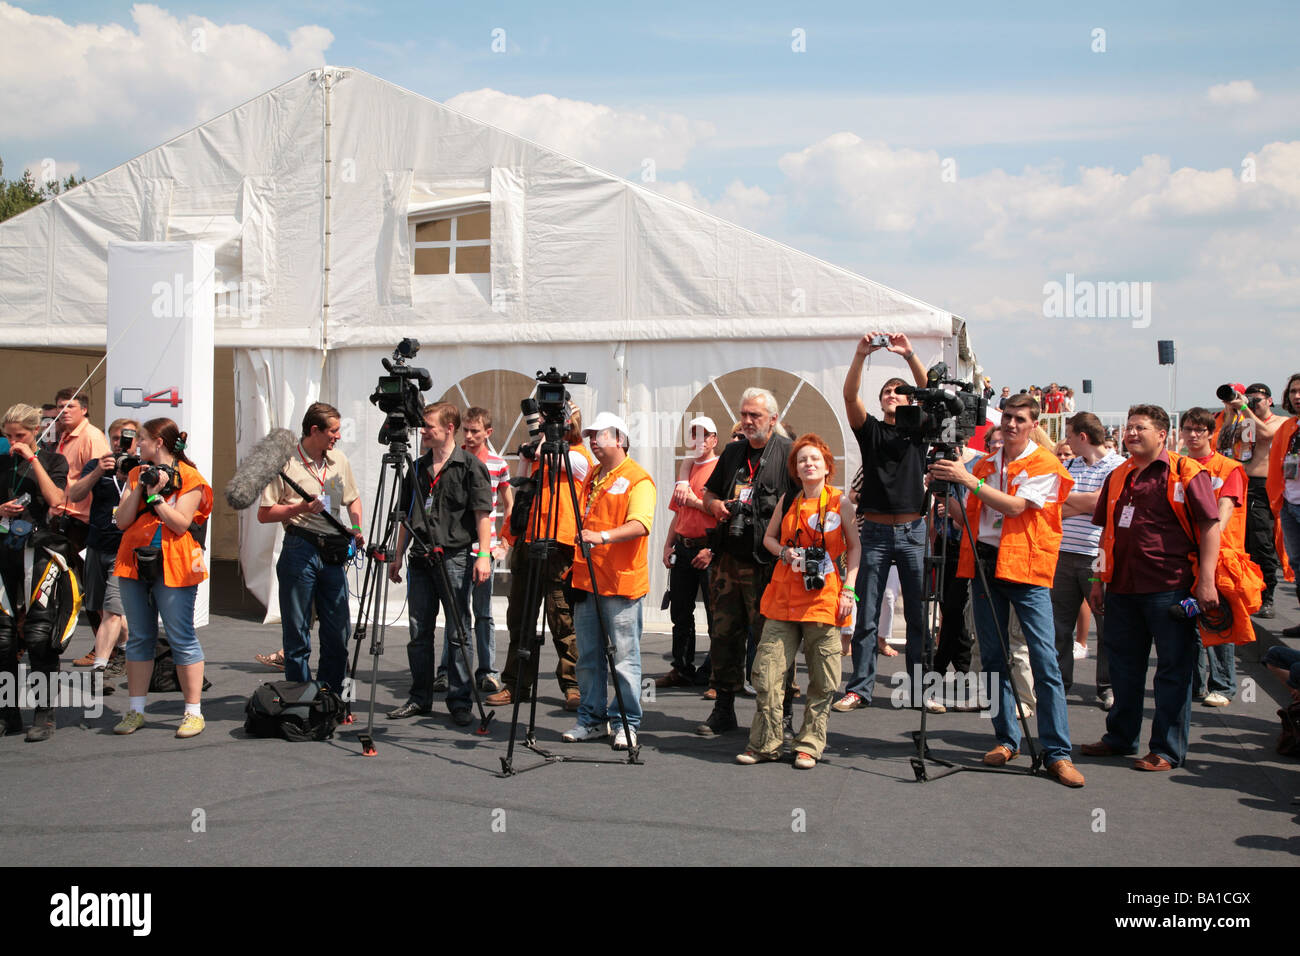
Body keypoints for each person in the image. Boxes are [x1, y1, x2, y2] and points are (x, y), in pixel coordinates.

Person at [930, 393, 1085, 787]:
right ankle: (1006, 738)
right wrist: (944, 488)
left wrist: (967, 480)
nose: (1011, 425)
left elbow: (1016, 507)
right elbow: (968, 514)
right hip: (984, 563)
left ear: (1035, 424)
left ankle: (1057, 752)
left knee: (1044, 661)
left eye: (1019, 419)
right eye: (1008, 418)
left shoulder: (1044, 463)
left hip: (1026, 568)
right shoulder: (984, 463)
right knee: (994, 658)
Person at [1081, 405, 1222, 772]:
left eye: (1139, 427)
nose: (1130, 433)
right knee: (1125, 669)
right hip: (1123, 588)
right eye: (1128, 427)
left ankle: (1166, 750)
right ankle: (1120, 737)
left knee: (1173, 670)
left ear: (1161, 434)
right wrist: (1098, 579)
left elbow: (1210, 527)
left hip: (1173, 589)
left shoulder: (1187, 472)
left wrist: (1206, 581)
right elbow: (1104, 533)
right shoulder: (1118, 476)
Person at [737, 434, 860, 768]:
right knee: (767, 673)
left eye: (815, 459)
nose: (808, 464)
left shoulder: (839, 502)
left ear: (826, 467)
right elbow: (768, 539)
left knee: (823, 679)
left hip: (823, 599)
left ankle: (809, 744)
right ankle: (766, 742)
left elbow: (854, 548)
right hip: (782, 598)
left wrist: (850, 590)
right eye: (803, 460)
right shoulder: (788, 500)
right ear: (796, 468)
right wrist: (785, 552)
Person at [835, 331, 936, 715]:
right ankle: (859, 688)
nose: (892, 395)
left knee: (916, 615)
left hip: (913, 531)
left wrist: (909, 355)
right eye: (887, 392)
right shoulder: (871, 430)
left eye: (899, 392)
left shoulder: (919, 430)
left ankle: (920, 690)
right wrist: (861, 355)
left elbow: (927, 390)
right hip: (874, 532)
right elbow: (849, 397)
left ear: (910, 401)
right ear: (880, 401)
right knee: (867, 611)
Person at [696, 388, 797, 735]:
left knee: (773, 640)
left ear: (773, 419)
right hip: (728, 560)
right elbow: (708, 492)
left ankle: (780, 714)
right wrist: (714, 506)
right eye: (744, 414)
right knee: (723, 636)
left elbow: (802, 505)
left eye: (755, 415)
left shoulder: (787, 454)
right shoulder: (734, 452)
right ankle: (723, 708)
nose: (748, 421)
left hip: (767, 565)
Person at [387, 403, 493, 726]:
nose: (423, 431)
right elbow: (405, 515)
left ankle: (460, 701)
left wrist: (485, 554)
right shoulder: (416, 468)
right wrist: (396, 555)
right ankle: (420, 697)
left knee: (459, 631)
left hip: (455, 557)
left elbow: (482, 513)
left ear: (449, 428)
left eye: (429, 426)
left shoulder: (470, 466)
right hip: (419, 559)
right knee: (419, 631)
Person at [111, 418, 213, 738]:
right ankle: (136, 710)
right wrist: (141, 485)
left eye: (141, 439)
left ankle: (193, 712)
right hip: (133, 561)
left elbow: (181, 524)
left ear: (158, 442)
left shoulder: (190, 477)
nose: (137, 444)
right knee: (140, 636)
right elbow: (122, 521)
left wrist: (156, 499)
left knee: (181, 636)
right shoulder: (135, 474)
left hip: (177, 563)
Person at [488, 402, 593, 710]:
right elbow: (520, 497)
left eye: (548, 421)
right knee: (520, 619)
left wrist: (539, 442)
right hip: (530, 540)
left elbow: (554, 457)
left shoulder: (578, 457)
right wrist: (508, 538)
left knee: (562, 619)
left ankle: (573, 685)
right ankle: (516, 684)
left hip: (559, 546)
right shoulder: (540, 456)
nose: (540, 427)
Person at [257, 403, 364, 692]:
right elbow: (264, 513)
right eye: (333, 431)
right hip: (299, 547)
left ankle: (333, 697)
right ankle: (300, 700)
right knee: (297, 632)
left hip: (332, 552)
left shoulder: (338, 460)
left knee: (338, 630)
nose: (338, 437)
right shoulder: (284, 463)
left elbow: (353, 499)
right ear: (314, 430)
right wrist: (301, 508)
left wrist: (356, 528)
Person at [563, 413, 655, 749]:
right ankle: (591, 719)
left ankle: (627, 722)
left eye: (598, 435)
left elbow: (641, 524)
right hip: (588, 579)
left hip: (620, 584)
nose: (592, 441)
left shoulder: (638, 479)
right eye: (589, 436)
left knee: (624, 658)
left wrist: (601, 536)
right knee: (588, 655)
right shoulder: (594, 475)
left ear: (619, 439)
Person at [0, 403, 69, 741]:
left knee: (40, 635)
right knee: (2, 638)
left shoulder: (53, 460)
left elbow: (55, 498)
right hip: (3, 552)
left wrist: (31, 457)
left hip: (39, 552)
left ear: (36, 432)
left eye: (21, 435)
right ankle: (8, 713)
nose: (14, 441)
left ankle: (44, 714)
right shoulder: (1, 460)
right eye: (9, 436)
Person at [1053, 412, 1124, 709]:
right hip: (1063, 554)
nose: (1066, 441)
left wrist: (1079, 503)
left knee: (1107, 626)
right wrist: (1088, 503)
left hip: (1098, 555)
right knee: (1058, 627)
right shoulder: (1068, 465)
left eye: (1070, 435)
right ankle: (1058, 684)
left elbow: (1103, 504)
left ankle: (1107, 686)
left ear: (1082, 437)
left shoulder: (1119, 466)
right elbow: (1054, 504)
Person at [1180, 407, 1250, 707]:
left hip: (1220, 557)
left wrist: (1208, 540)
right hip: (1183, 555)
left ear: (1211, 433)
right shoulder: (1176, 465)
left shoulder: (1228, 467)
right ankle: (1194, 684)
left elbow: (1225, 510)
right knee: (1188, 617)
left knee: (1216, 619)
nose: (1194, 435)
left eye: (1200, 430)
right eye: (1189, 429)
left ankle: (1223, 684)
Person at [66, 418, 140, 683]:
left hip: (125, 549)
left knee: (112, 610)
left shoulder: (142, 468)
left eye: (127, 439)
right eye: (117, 438)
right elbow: (74, 495)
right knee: (98, 606)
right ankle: (127, 649)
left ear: (138, 442)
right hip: (97, 544)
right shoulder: (97, 465)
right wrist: (98, 471)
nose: (121, 443)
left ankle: (101, 665)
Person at [656, 416, 719, 689]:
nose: (698, 441)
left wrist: (712, 550)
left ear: (714, 440)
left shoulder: (720, 467)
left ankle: (719, 675)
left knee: (717, 616)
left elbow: (722, 512)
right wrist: (668, 543)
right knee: (680, 612)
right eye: (693, 435)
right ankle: (681, 668)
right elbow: (677, 512)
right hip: (683, 547)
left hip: (708, 548)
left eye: (704, 435)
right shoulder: (687, 469)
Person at [52, 388, 110, 663]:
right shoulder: (63, 436)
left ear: (84, 409)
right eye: (61, 406)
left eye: (70, 406)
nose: (64, 411)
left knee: (91, 590)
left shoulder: (92, 437)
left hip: (85, 522)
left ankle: (104, 648)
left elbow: (100, 477)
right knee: (67, 585)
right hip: (66, 517)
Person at [458, 406, 513, 693]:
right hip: (456, 547)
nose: (468, 436)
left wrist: (505, 541)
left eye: (475, 431)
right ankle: (451, 670)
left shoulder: (497, 464)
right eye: (465, 430)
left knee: (483, 612)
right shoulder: (453, 460)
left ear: (488, 432)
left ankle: (488, 670)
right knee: (457, 612)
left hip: (485, 549)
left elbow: (508, 501)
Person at [1264, 373, 1300, 637]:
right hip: (1288, 503)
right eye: (1293, 391)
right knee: (1297, 564)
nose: (1297, 396)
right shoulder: (1288, 427)